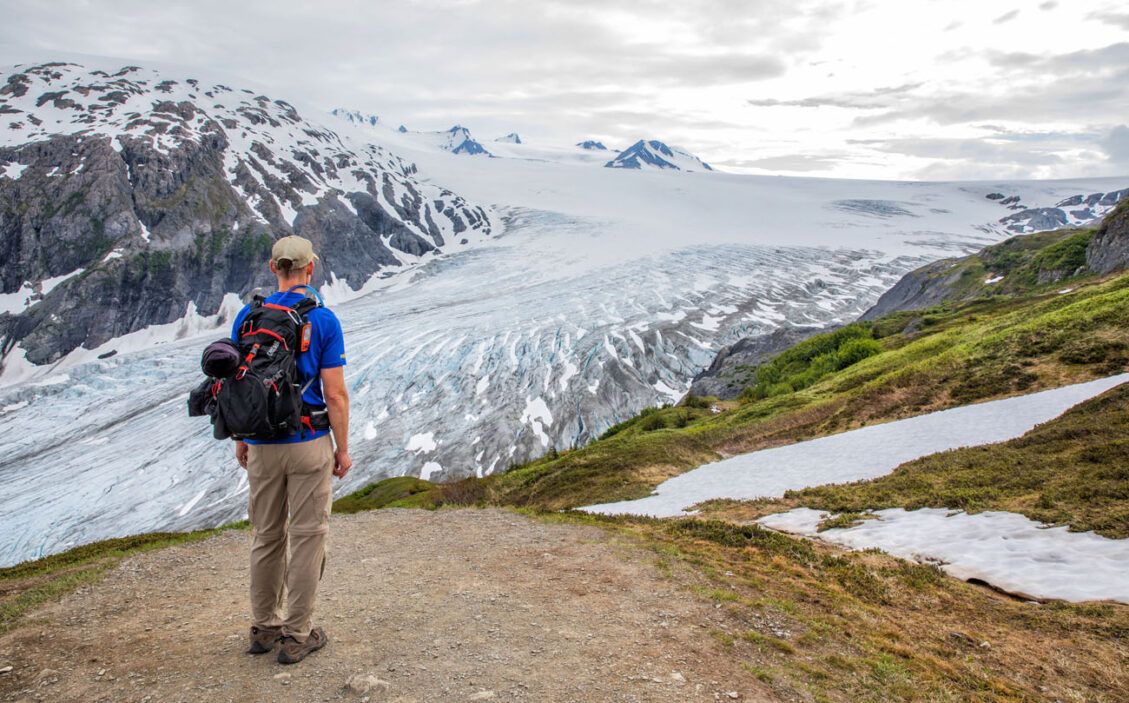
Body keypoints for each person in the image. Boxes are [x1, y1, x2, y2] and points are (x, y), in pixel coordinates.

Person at [231, 235, 352, 665]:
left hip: (261, 444)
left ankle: (264, 627)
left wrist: (242, 438)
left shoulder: (248, 317)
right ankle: (298, 633)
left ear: (273, 268)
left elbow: (237, 384)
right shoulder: (322, 320)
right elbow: (334, 394)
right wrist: (342, 448)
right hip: (307, 442)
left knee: (266, 537)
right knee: (306, 538)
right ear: (310, 269)